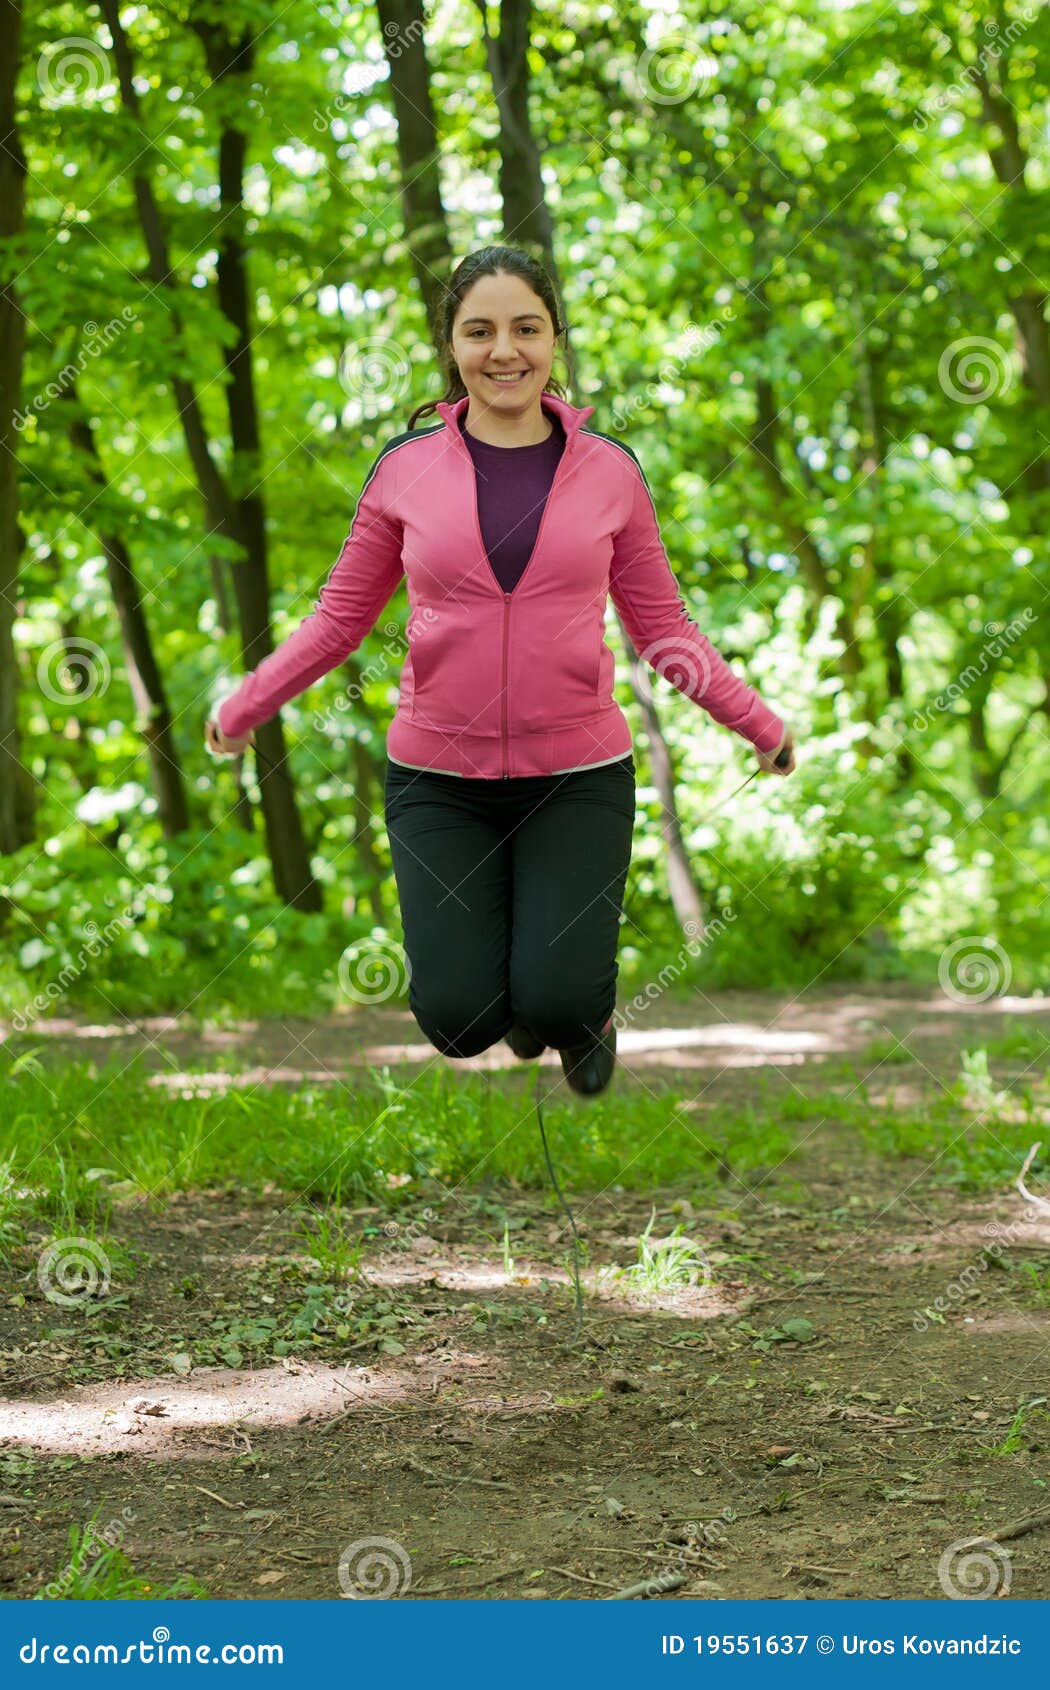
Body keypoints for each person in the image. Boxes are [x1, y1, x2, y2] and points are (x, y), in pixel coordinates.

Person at [206, 245, 796, 1098]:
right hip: (437, 780)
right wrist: (243, 707)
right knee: (458, 1021)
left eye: (526, 327)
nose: (504, 350)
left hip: (578, 776)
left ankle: (576, 1018)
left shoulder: (611, 473)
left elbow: (663, 629)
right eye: (479, 331)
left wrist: (761, 725)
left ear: (555, 337)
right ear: (452, 344)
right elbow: (339, 620)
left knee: (558, 997)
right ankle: (523, 1006)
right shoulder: (403, 470)